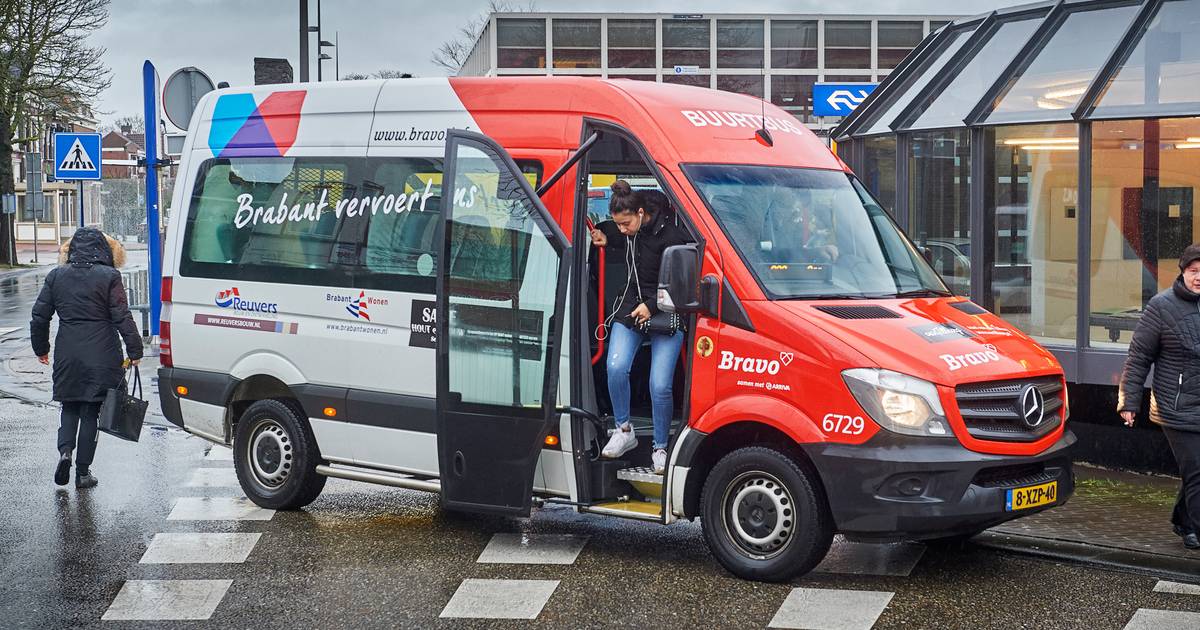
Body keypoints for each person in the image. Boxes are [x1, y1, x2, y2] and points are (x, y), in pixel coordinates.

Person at [591, 181, 691, 473]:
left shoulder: (672, 236)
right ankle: (624, 430)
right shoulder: (625, 230)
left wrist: (652, 304)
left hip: (664, 312)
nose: (622, 230)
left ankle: (660, 448)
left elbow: (682, 281)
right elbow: (613, 231)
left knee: (659, 385)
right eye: (617, 225)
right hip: (632, 308)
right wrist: (603, 235)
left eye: (625, 224)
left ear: (641, 212)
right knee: (616, 366)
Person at [30, 227, 143, 489]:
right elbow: (121, 316)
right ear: (103, 250)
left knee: (69, 406)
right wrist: (134, 350)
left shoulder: (56, 276)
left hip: (68, 352)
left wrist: (41, 349)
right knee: (91, 410)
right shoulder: (109, 276)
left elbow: (39, 316)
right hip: (102, 353)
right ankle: (82, 473)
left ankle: (65, 452)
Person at [1118, 243, 1200, 550]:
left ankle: (1184, 521)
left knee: (1195, 471)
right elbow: (1139, 356)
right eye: (1193, 271)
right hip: (1175, 407)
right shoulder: (1161, 306)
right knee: (1198, 470)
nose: (1199, 277)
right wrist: (1128, 401)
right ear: (1182, 272)